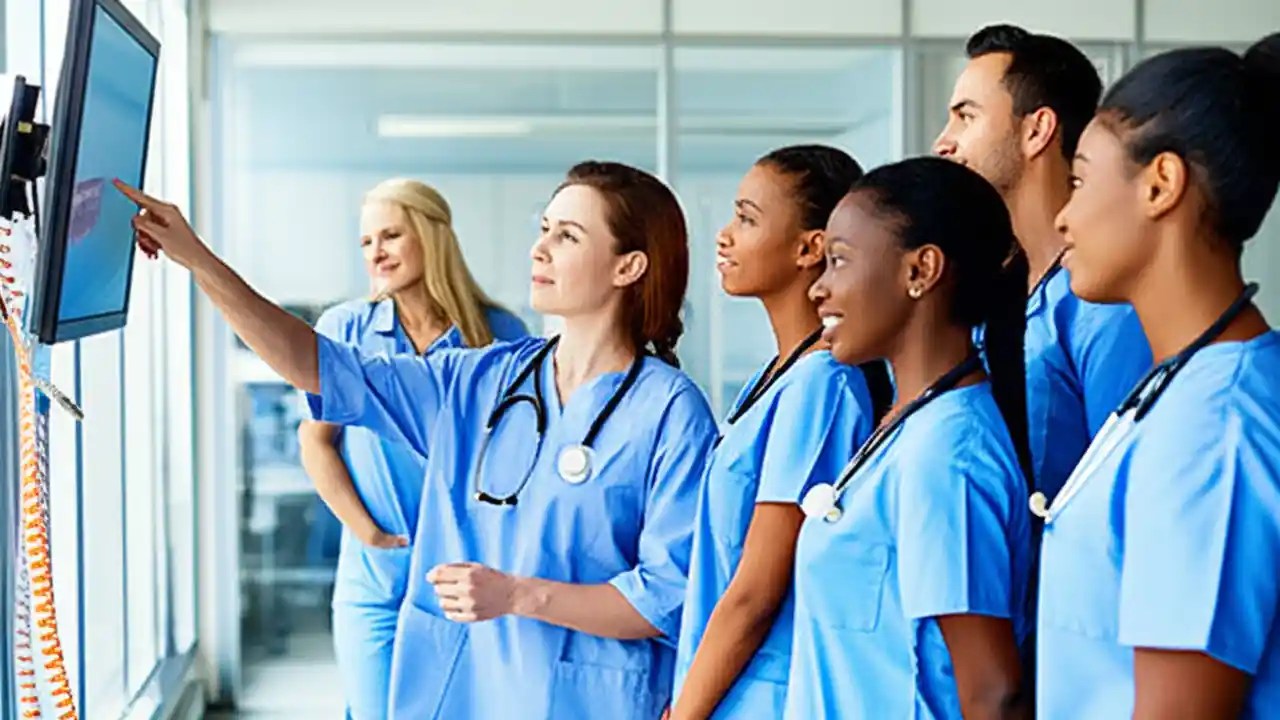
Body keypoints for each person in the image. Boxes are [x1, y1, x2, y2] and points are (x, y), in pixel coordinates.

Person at [115, 161, 719, 719]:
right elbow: (315, 364)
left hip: (587, 698)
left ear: (628, 266)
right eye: (543, 228)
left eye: (568, 236)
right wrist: (198, 260)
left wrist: (519, 596)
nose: (539, 247)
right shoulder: (482, 379)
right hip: (463, 686)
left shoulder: (671, 412)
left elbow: (667, 595)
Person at [1037, 34, 1280, 720]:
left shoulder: (1214, 425)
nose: (1063, 215)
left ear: (1160, 184)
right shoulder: (1180, 390)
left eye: (1080, 181)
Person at [785, 157, 1033, 719]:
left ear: (921, 270)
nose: (818, 289)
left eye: (839, 261)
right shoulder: (908, 429)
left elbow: (993, 692)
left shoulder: (947, 452)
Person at [668, 145, 891, 720]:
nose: (723, 236)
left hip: (766, 693)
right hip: (727, 687)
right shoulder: (773, 382)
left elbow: (757, 591)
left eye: (746, 218)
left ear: (809, 247)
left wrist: (686, 711)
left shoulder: (821, 385)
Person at [295, 178, 527, 720]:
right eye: (366, 242)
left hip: (464, 578)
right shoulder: (345, 328)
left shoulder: (500, 334)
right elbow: (318, 445)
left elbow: (518, 462)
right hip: (375, 579)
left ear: (432, 235)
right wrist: (368, 533)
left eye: (391, 235)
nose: (375, 252)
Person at [934, 24, 1152, 504]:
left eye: (965, 117)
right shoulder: (982, 297)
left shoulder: (1105, 306)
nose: (943, 143)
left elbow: (1125, 491)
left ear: (1037, 130)